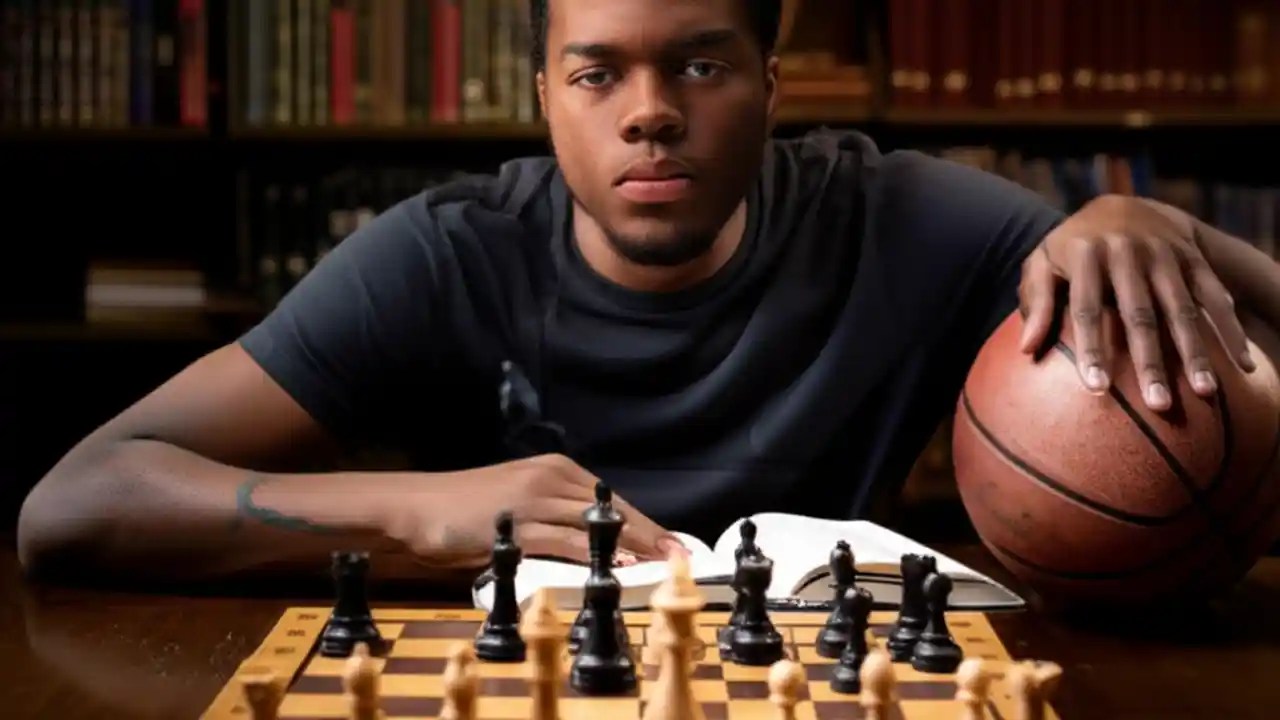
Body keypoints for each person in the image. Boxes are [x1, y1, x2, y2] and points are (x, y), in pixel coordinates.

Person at [17, 0, 1280, 586]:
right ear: (543, 101)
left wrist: (1162, 230)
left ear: (770, 89)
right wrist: (420, 509)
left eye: (699, 66)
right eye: (596, 75)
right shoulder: (442, 254)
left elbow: (1195, 365)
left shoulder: (902, 219)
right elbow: (72, 504)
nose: (650, 113)